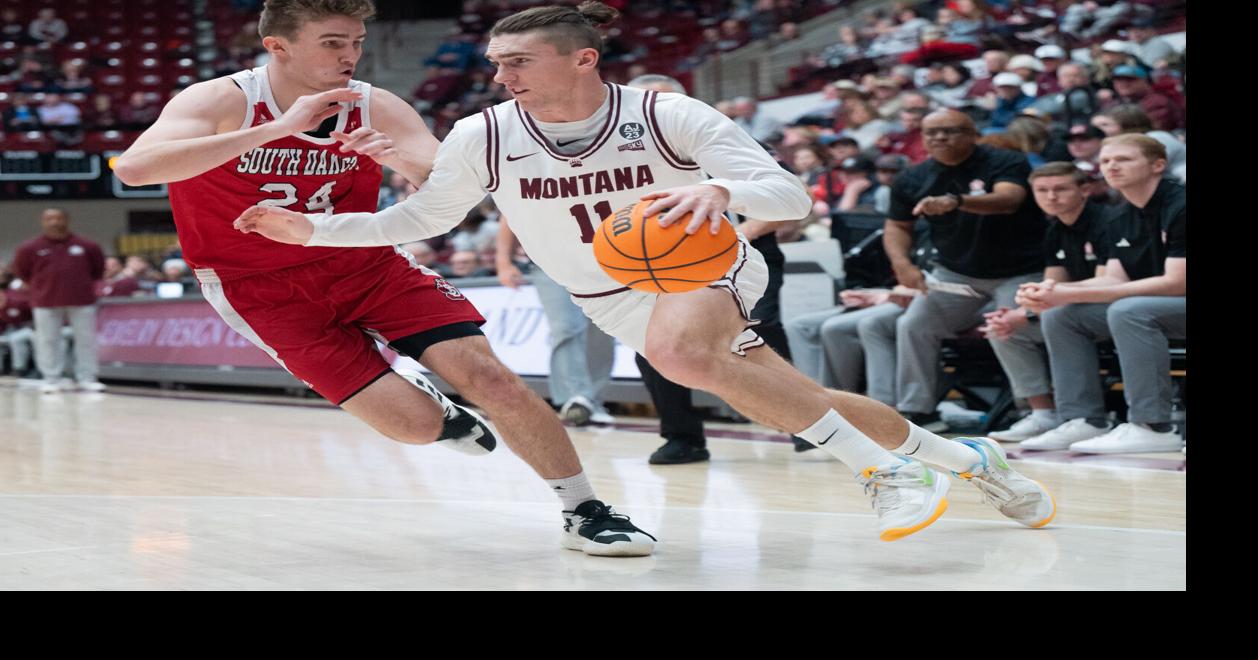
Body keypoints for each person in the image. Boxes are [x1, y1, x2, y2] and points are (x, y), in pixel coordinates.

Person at [236, 1, 1057, 541]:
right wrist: (313, 228)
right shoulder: (483, 134)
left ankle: (883, 474)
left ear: (583, 59)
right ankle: (963, 461)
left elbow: (789, 191)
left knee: (680, 354)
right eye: (497, 63)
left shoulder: (664, 113)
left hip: (707, 264)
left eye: (519, 61)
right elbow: (425, 218)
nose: (501, 76)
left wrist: (717, 187)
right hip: (608, 294)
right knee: (776, 394)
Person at [113, 0, 655, 557]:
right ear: (278, 46)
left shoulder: (374, 105)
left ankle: (584, 509)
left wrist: (400, 160)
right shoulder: (220, 99)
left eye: (356, 42)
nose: (350, 55)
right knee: (413, 426)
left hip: (367, 263)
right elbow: (134, 169)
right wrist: (278, 129)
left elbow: (451, 186)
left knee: (490, 378)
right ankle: (439, 416)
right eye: (332, 42)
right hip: (257, 288)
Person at [884, 110, 1053, 435]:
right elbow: (896, 225)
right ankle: (919, 411)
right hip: (956, 273)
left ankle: (1037, 411)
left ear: (972, 133)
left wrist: (956, 201)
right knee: (914, 324)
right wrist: (902, 265)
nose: (939, 138)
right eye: (931, 132)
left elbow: (1009, 199)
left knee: (1004, 325)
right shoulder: (912, 178)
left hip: (1017, 268)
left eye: (949, 131)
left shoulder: (1004, 160)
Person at [1016, 135, 1185, 454]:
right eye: (1106, 161)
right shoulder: (1122, 214)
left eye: (1123, 159)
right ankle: (1083, 419)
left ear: (1157, 165)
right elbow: (1112, 279)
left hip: (1173, 300)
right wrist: (1054, 291)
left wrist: (1069, 293)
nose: (1112, 166)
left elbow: (1178, 282)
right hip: (1160, 307)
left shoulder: (1180, 204)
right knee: (1062, 315)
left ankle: (1153, 426)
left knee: (1129, 310)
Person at [11, 209, 106, 393]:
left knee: (86, 340)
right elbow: (22, 273)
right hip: (44, 300)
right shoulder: (29, 248)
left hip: (82, 299)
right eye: (49, 218)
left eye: (58, 218)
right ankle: (52, 379)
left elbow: (97, 270)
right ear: (42, 221)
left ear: (67, 220)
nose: (54, 222)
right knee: (47, 340)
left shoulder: (87, 245)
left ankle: (87, 378)